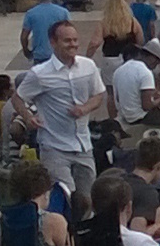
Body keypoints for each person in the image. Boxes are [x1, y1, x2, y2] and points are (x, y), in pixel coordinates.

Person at [15, 17, 109, 203]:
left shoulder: (88, 66)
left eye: (75, 40)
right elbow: (17, 98)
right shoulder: (40, 74)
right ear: (53, 42)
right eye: (67, 41)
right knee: (64, 197)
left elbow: (99, 95)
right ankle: (62, 230)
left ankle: (82, 231)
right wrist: (28, 117)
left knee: (87, 199)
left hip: (83, 145)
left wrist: (84, 108)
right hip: (54, 146)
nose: (73, 44)